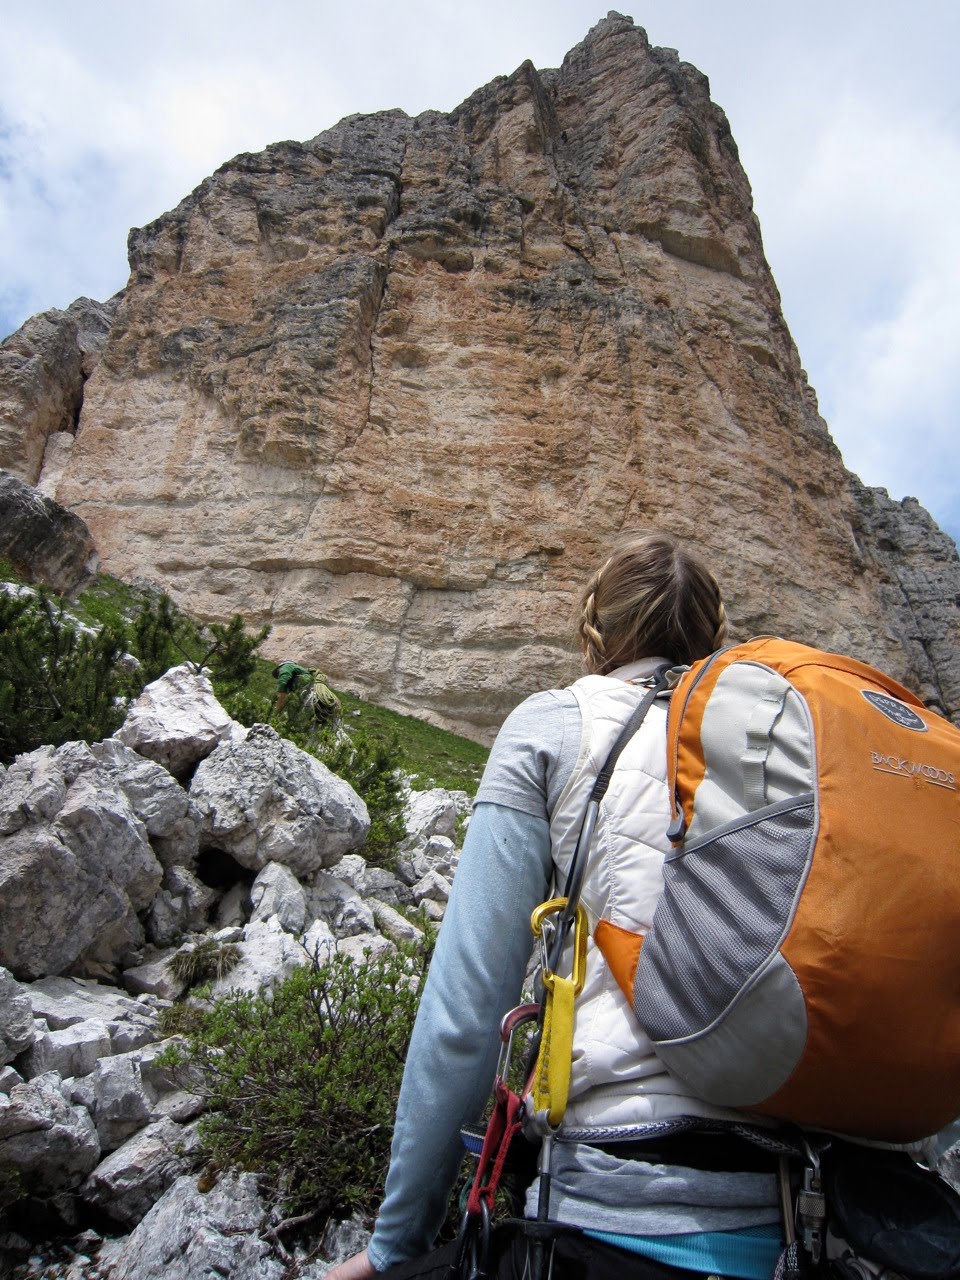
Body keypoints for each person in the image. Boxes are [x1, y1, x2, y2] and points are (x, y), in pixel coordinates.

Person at [329, 533, 784, 1280]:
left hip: (606, 1208)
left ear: (592, 633)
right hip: (802, 1208)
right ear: (715, 641)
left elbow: (465, 1009)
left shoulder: (553, 724)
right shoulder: (784, 748)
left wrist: (396, 1245)